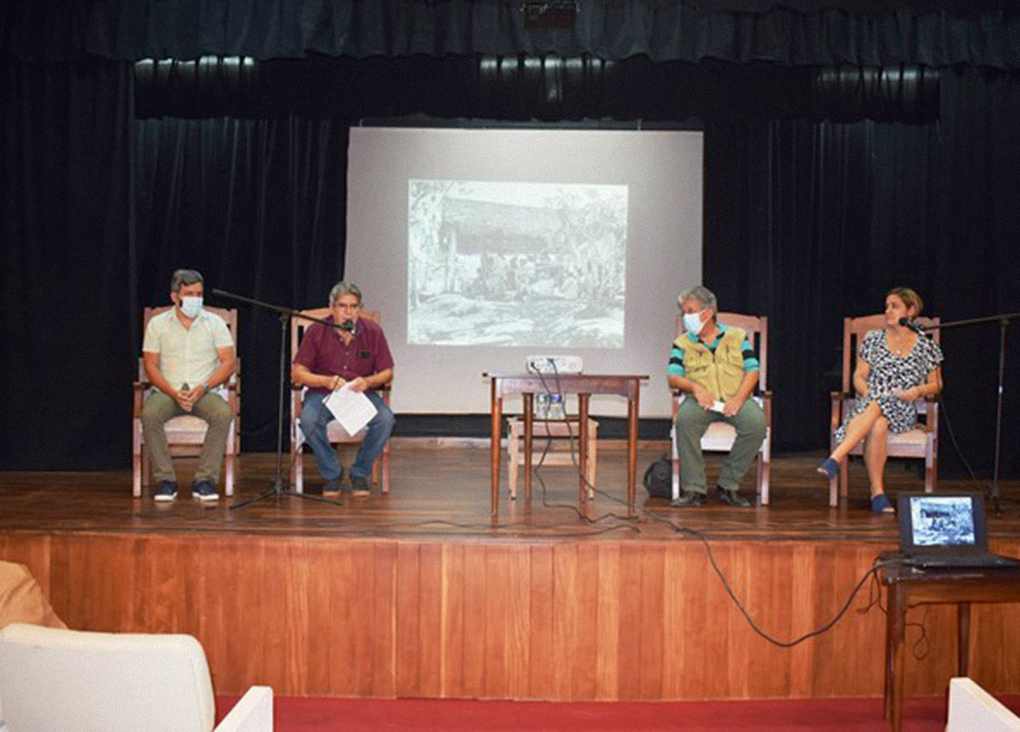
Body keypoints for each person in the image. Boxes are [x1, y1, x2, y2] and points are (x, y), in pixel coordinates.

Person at [818, 287, 943, 513]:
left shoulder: (926, 345)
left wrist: (916, 391)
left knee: (879, 405)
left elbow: (937, 384)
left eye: (894, 306)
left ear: (911, 311)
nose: (888, 311)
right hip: (871, 402)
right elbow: (859, 376)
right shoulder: (873, 339)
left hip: (903, 406)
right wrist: (867, 393)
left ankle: (837, 456)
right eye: (887, 306)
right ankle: (878, 493)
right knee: (878, 422)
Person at [292, 281, 395, 497]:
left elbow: (388, 372)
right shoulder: (316, 330)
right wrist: (325, 381)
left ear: (359, 308)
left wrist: (368, 382)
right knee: (308, 420)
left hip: (360, 394)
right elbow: (298, 373)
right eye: (343, 306)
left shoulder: (372, 331)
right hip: (324, 394)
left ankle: (360, 472)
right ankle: (332, 473)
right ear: (332, 308)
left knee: (385, 419)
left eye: (354, 307)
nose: (349, 312)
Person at [142, 269, 236, 501]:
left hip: (204, 391)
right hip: (168, 390)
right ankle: (166, 480)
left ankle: (204, 480)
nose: (196, 299)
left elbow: (228, 362)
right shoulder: (157, 324)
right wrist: (172, 392)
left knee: (223, 413)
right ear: (175, 296)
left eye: (199, 294)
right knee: (149, 414)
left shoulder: (214, 323)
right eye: (190, 294)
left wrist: (203, 387)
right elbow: (151, 366)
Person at [667, 286, 766, 508]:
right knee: (685, 421)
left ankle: (728, 484)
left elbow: (752, 370)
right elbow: (673, 377)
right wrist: (694, 387)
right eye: (684, 312)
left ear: (708, 313)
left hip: (735, 398)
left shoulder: (736, 336)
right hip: (700, 401)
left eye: (690, 311)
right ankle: (694, 490)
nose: (686, 317)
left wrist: (740, 398)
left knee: (756, 424)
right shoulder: (682, 343)